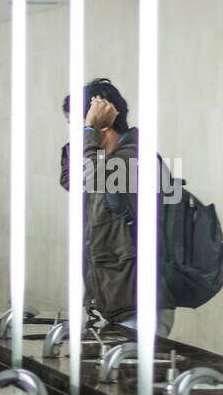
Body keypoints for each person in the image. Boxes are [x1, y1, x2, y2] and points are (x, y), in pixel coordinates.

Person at [60, 78, 175, 337]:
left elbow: (91, 177)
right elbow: (71, 180)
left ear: (102, 123)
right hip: (115, 304)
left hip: (140, 305)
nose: (76, 134)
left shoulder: (136, 159)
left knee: (128, 378)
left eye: (77, 126)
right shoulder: (103, 162)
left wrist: (89, 128)